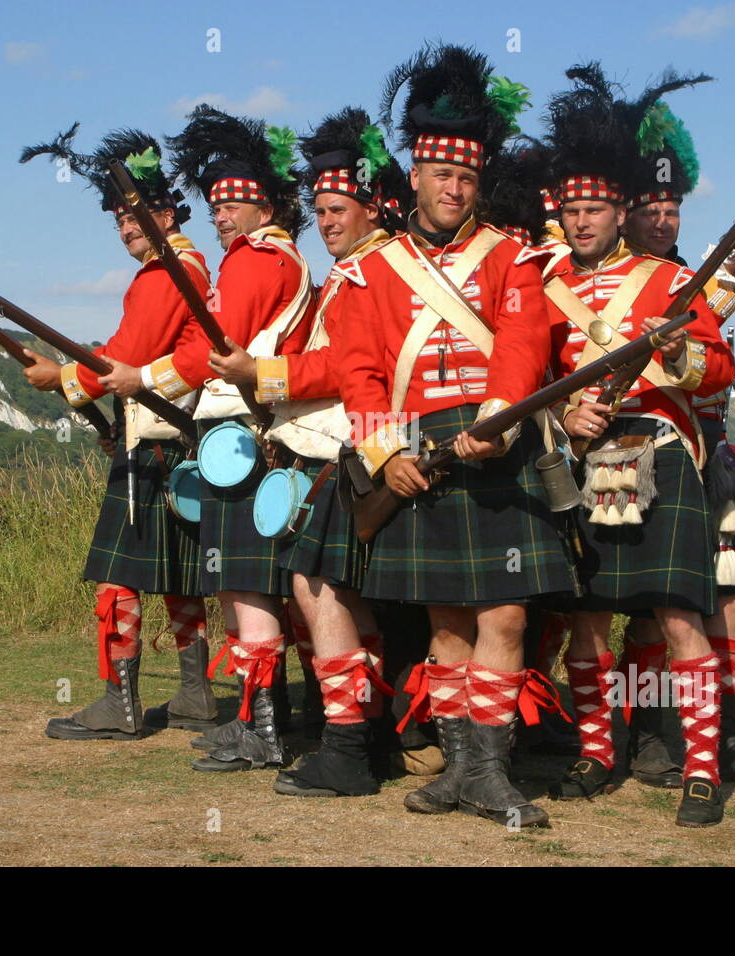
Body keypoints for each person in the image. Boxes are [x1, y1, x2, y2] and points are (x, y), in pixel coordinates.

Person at [334, 45, 578, 828]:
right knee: (445, 621)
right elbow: (358, 371)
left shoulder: (510, 257)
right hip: (416, 447)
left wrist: (497, 421)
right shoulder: (375, 270)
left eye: (467, 177)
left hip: (494, 439)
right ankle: (461, 770)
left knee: (505, 616)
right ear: (415, 175)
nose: (454, 188)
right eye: (442, 174)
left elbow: (524, 342)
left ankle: (488, 770)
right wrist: (386, 455)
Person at [540, 63, 735, 827]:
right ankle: (597, 752)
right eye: (572, 209)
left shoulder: (665, 280)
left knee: (680, 616)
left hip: (661, 450)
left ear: (620, 210)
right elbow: (532, 383)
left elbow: (718, 369)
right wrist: (567, 420)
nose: (582, 221)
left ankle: (700, 769)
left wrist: (678, 352)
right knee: (589, 618)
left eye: (595, 208)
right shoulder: (547, 290)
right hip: (591, 461)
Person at [98, 107, 315, 771]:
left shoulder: (255, 261)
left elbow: (210, 350)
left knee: (246, 589)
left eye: (231, 205)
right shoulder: (264, 258)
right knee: (246, 588)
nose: (220, 217)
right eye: (216, 205)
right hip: (238, 434)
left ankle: (263, 728)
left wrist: (136, 377)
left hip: (240, 439)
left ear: (264, 207)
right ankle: (258, 718)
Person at [208, 106, 411, 796]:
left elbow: (349, 366)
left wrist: (261, 374)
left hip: (347, 446)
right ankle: (368, 736)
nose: (325, 222)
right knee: (333, 593)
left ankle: (350, 747)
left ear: (373, 207)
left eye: (337, 209)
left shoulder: (374, 270)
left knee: (318, 589)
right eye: (320, 210)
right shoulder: (355, 269)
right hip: (340, 444)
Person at [18, 124, 214, 741]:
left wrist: (60, 377)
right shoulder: (183, 266)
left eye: (135, 217)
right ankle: (196, 695)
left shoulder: (167, 272)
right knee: (179, 575)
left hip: (158, 442)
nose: (127, 229)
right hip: (167, 436)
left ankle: (120, 704)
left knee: (119, 574)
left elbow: (128, 355)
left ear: (165, 214)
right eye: (120, 221)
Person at [623, 102, 735, 787]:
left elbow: (712, 316)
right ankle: (646, 738)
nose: (663, 221)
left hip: (710, 446)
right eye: (650, 209)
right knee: (650, 603)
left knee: (732, 595)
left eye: (672, 210)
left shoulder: (684, 276)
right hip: (645, 449)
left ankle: (726, 736)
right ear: (624, 213)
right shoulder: (614, 279)